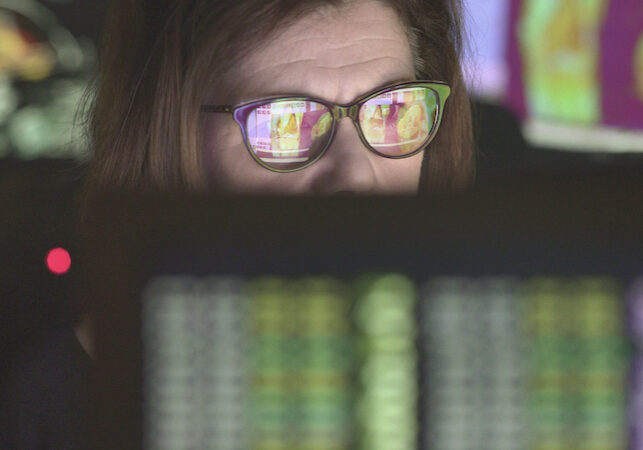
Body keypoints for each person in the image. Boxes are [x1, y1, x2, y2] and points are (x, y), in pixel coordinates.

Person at [1, 0, 473, 448]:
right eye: (284, 123)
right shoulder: (54, 413)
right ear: (171, 134)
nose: (355, 176)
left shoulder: (486, 361)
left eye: (393, 110)